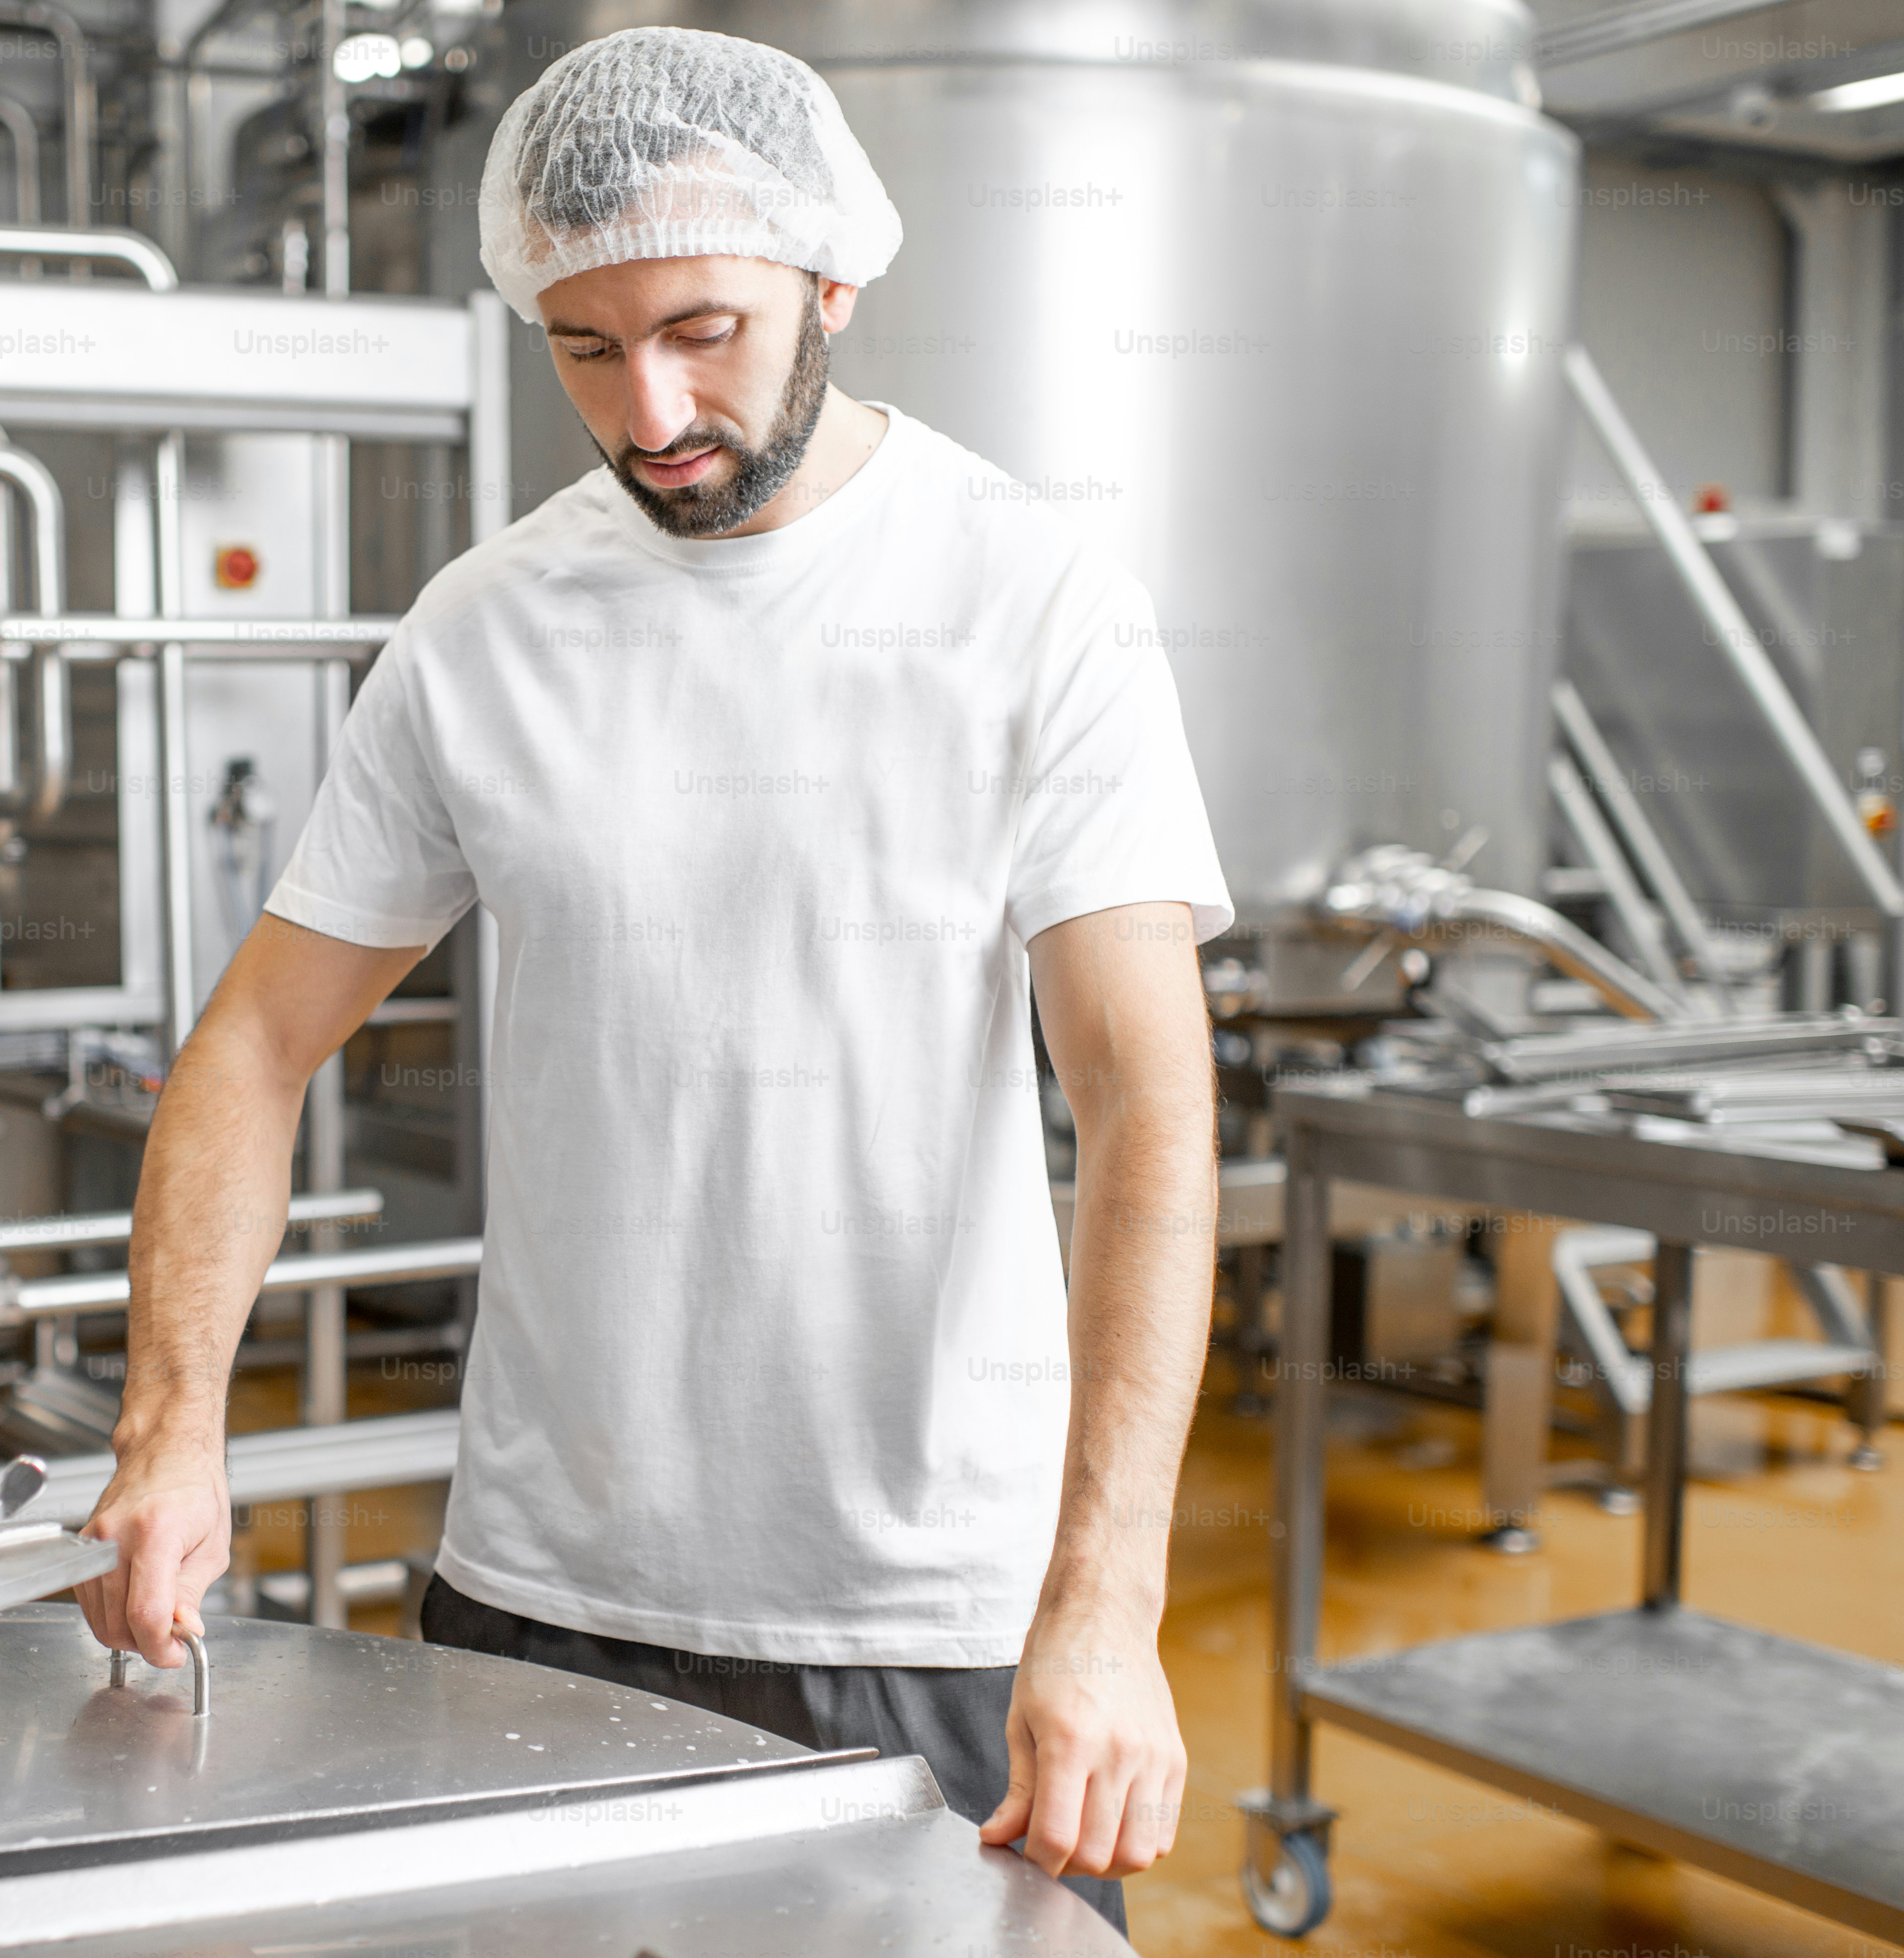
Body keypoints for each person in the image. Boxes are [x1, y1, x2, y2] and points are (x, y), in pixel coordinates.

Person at [76, 24, 1229, 1931]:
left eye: (708, 329)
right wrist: (171, 1428)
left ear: (834, 279)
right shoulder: (484, 630)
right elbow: (253, 1048)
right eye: (588, 348)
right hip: (542, 1596)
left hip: (923, 1602)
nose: (653, 408)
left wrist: (1104, 1601)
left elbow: (1145, 1106)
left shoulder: (1033, 603)